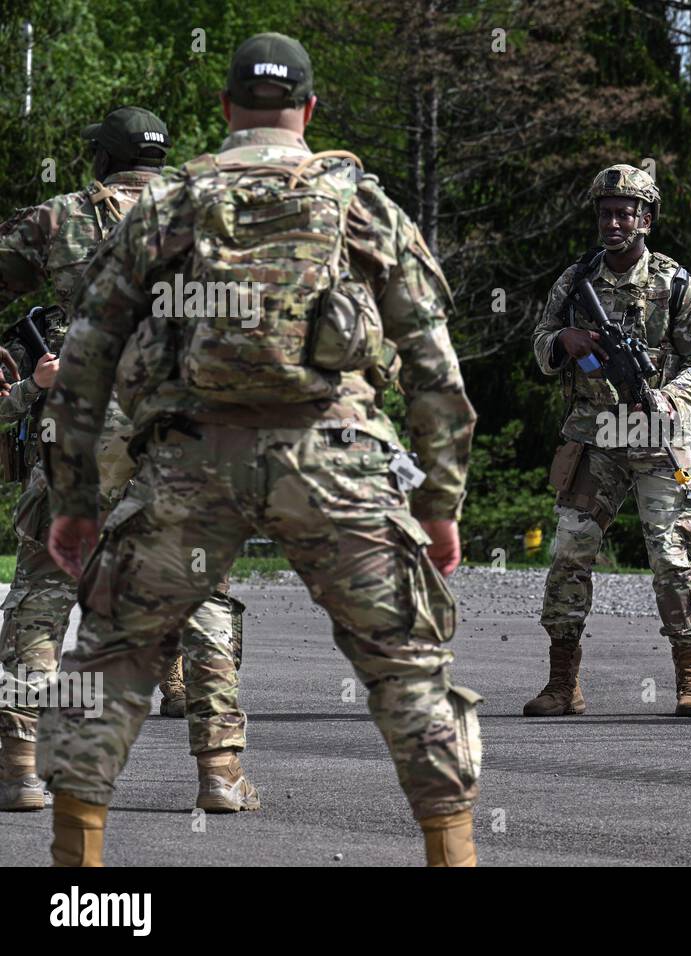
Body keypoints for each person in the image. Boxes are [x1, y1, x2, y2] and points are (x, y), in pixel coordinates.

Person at [38, 33, 481, 867]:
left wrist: (74, 500)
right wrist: (439, 504)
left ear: (224, 108)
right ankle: (451, 853)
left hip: (186, 463)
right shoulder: (362, 204)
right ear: (310, 110)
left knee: (108, 662)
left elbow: (88, 357)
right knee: (408, 670)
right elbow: (435, 369)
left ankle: (77, 883)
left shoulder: (171, 203)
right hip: (337, 460)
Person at [0, 107, 254, 815]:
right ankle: (220, 775)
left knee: (45, 593)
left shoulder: (59, 217)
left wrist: (27, 378)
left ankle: (20, 766)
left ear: (100, 163)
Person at [528, 164, 691, 717]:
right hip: (594, 436)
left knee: (670, 553)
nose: (614, 222)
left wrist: (669, 398)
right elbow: (541, 344)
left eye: (625, 213)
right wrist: (564, 339)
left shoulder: (676, 284)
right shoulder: (574, 281)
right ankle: (562, 683)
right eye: (606, 212)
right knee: (570, 551)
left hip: (657, 432)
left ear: (646, 219)